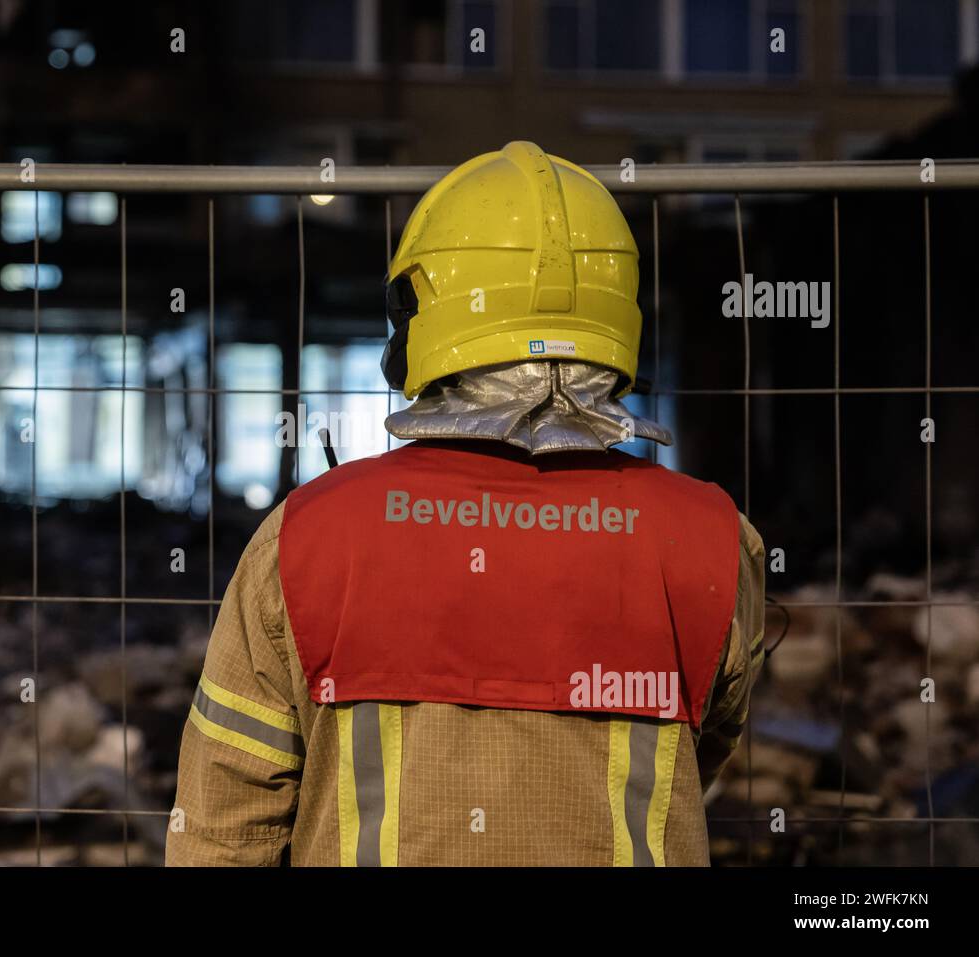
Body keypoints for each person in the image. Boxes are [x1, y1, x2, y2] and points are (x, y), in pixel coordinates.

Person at [166, 142, 765, 866]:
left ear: (420, 311)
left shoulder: (307, 537)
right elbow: (706, 746)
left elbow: (221, 828)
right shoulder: (710, 539)